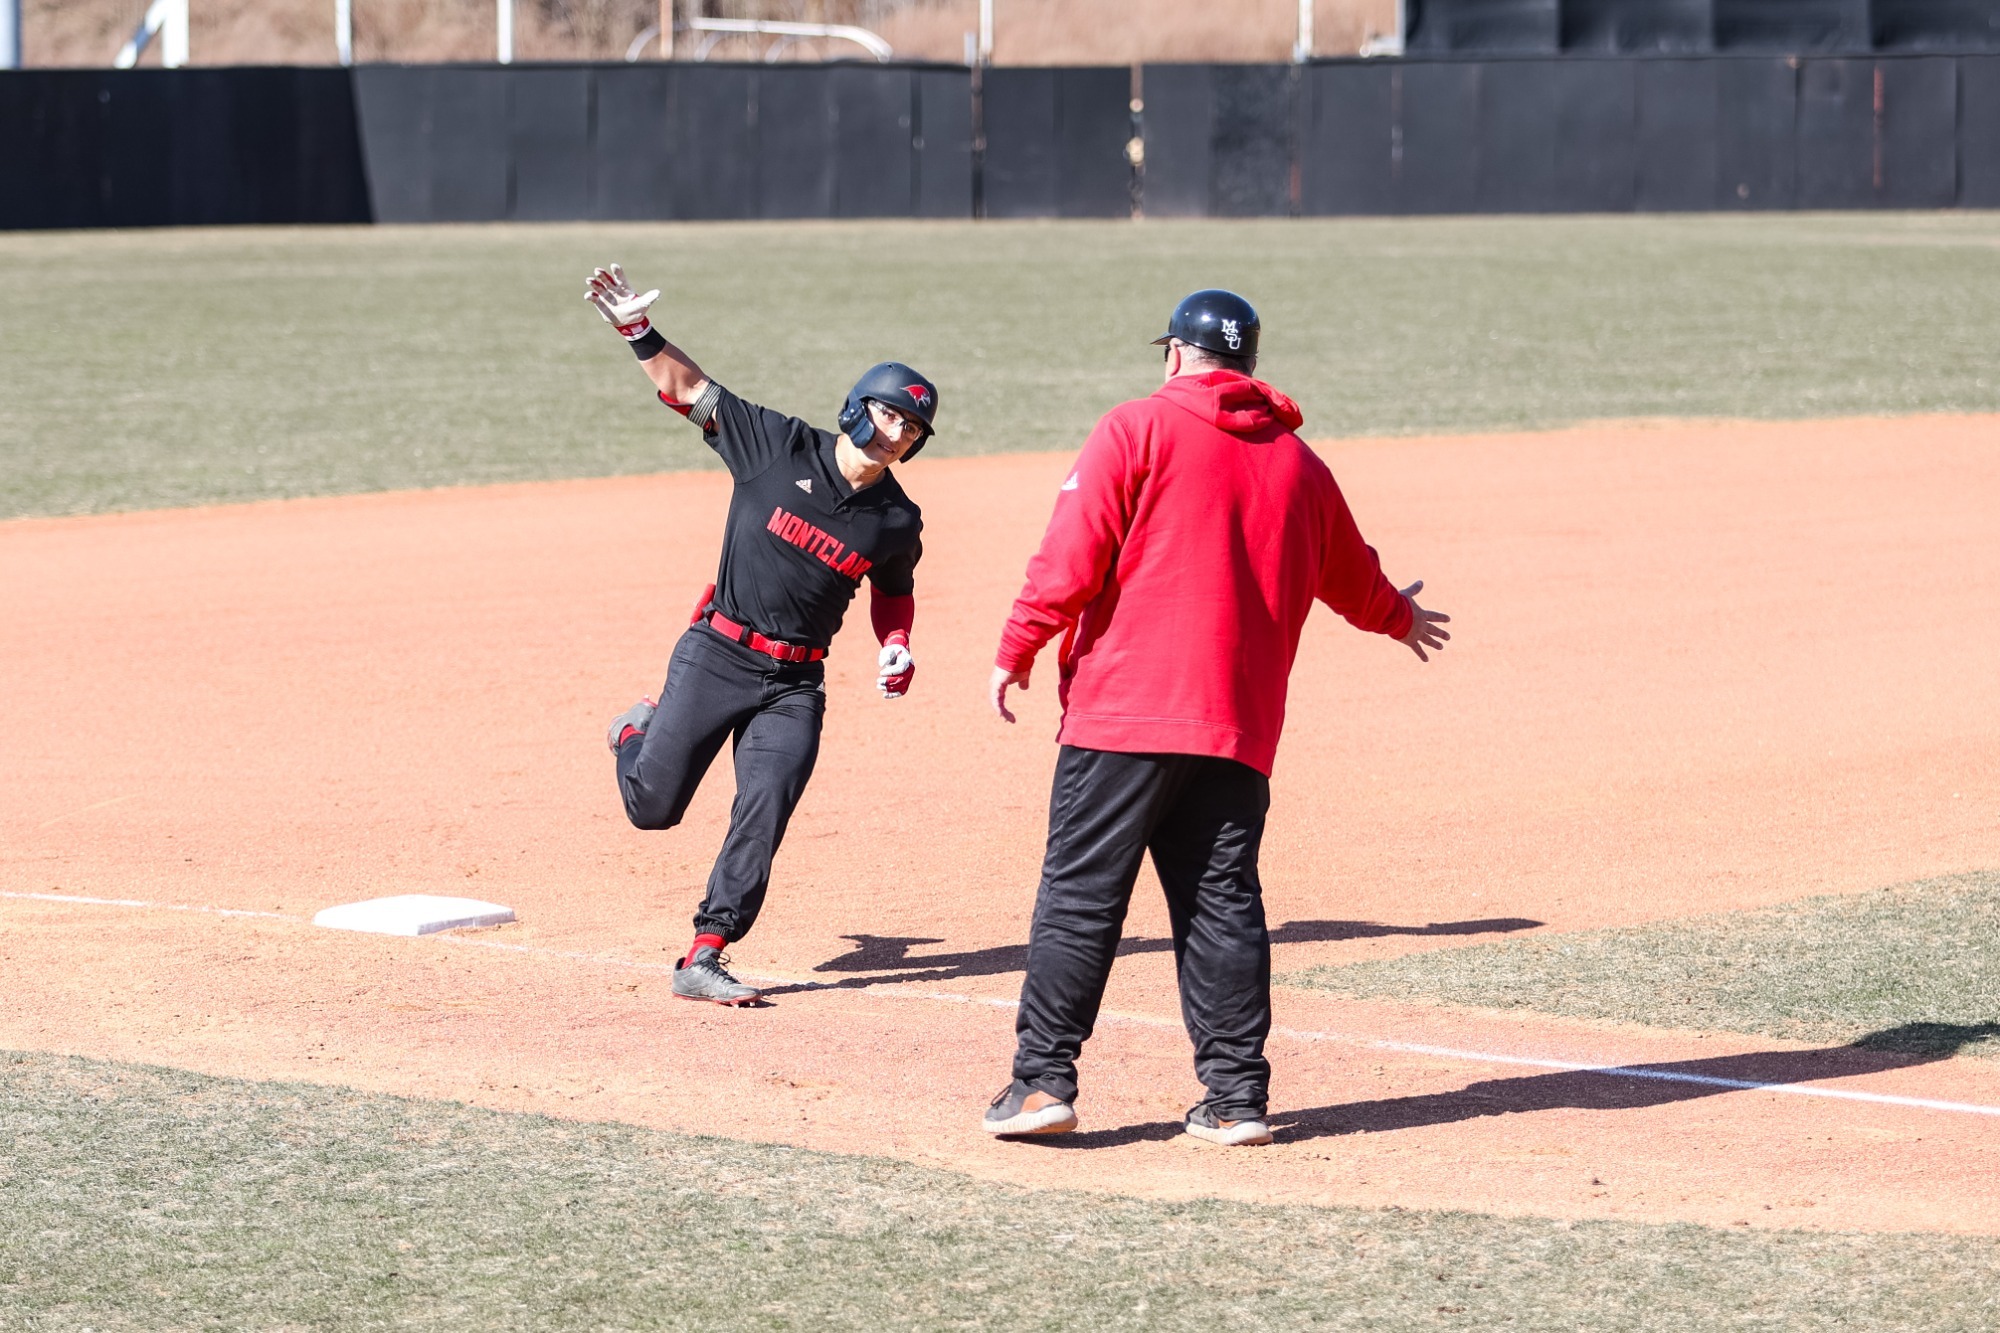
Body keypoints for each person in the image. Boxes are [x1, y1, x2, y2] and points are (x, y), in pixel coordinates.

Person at [980, 289, 1450, 1145]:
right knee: (1222, 902)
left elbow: (1070, 556)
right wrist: (1400, 617)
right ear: (1249, 368)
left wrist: (1016, 647)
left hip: (1123, 714)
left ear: (1174, 356)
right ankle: (1236, 1098)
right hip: (1236, 727)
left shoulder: (1136, 428)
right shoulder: (1301, 465)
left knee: (1082, 898)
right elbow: (1351, 574)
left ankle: (1043, 1081)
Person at [585, 263, 934, 1007]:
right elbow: (688, 390)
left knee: (766, 800)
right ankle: (630, 735)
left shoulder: (896, 520)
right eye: (889, 415)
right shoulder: (775, 445)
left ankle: (705, 949)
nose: (896, 433)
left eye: (911, 429)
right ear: (857, 409)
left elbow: (894, 596)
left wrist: (895, 644)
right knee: (653, 807)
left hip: (795, 685)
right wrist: (636, 330)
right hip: (717, 653)